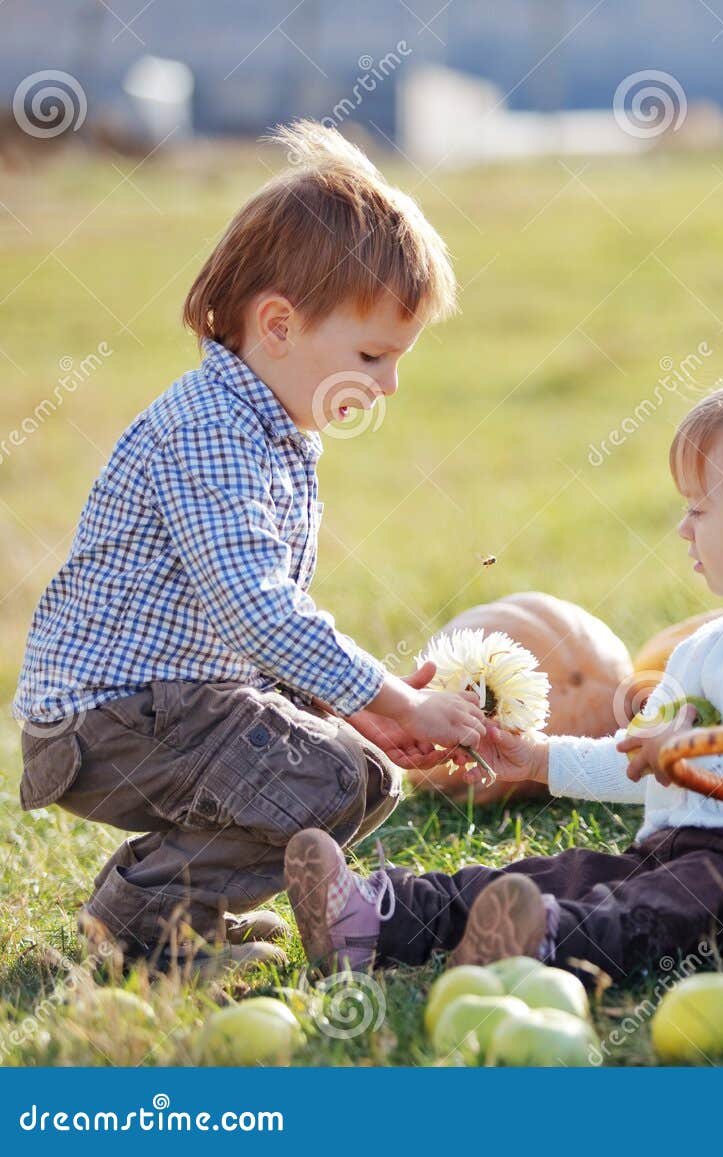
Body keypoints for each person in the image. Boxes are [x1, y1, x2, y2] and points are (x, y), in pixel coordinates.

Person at [12, 122, 486, 974]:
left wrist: (364, 708)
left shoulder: (266, 430)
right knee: (329, 780)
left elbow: (258, 636)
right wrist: (393, 697)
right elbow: (259, 608)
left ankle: (185, 912)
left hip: (173, 707)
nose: (389, 384)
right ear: (277, 324)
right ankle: (140, 929)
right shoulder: (211, 432)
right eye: (373, 353)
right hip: (106, 721)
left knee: (366, 773)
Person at [286, 372, 723, 980]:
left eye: (700, 508)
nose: (684, 527)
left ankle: (545, 943)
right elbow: (637, 757)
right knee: (557, 876)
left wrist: (687, 754)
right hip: (678, 848)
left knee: (654, 914)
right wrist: (539, 760)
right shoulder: (711, 643)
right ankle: (381, 916)